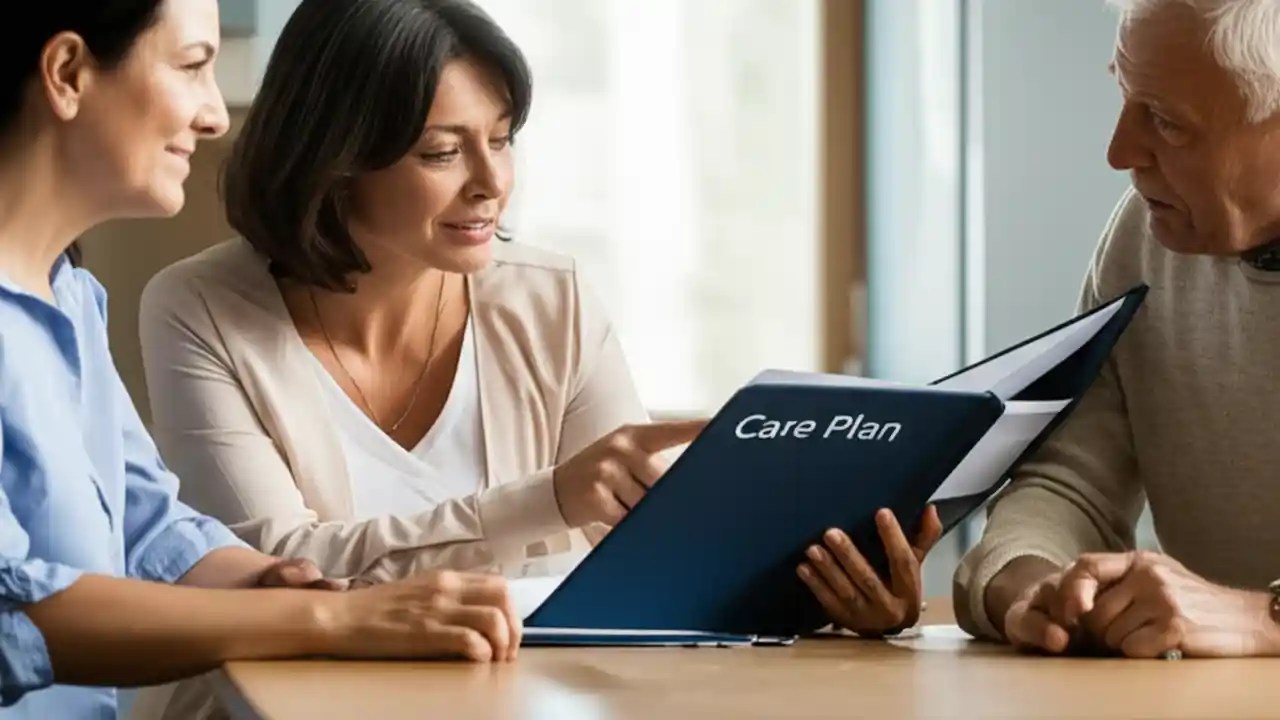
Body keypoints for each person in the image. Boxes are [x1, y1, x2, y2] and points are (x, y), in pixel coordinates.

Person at [135, 0, 938, 675]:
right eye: (442, 151)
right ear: (333, 161)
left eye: (504, 137)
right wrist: (547, 499)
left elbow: (653, 570)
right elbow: (283, 576)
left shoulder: (552, 300)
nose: (492, 181)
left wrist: (830, 600)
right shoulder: (199, 308)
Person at [0, 2, 545, 718]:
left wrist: (301, 589)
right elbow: (15, 613)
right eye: (193, 67)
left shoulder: (70, 297)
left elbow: (153, 531)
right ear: (68, 72)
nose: (215, 116)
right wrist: (339, 623)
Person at [953, 0, 1280, 659]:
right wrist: (1037, 589)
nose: (1119, 153)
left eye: (1165, 121)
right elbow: (1070, 482)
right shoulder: (1147, 236)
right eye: (1127, 97)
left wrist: (1261, 620)